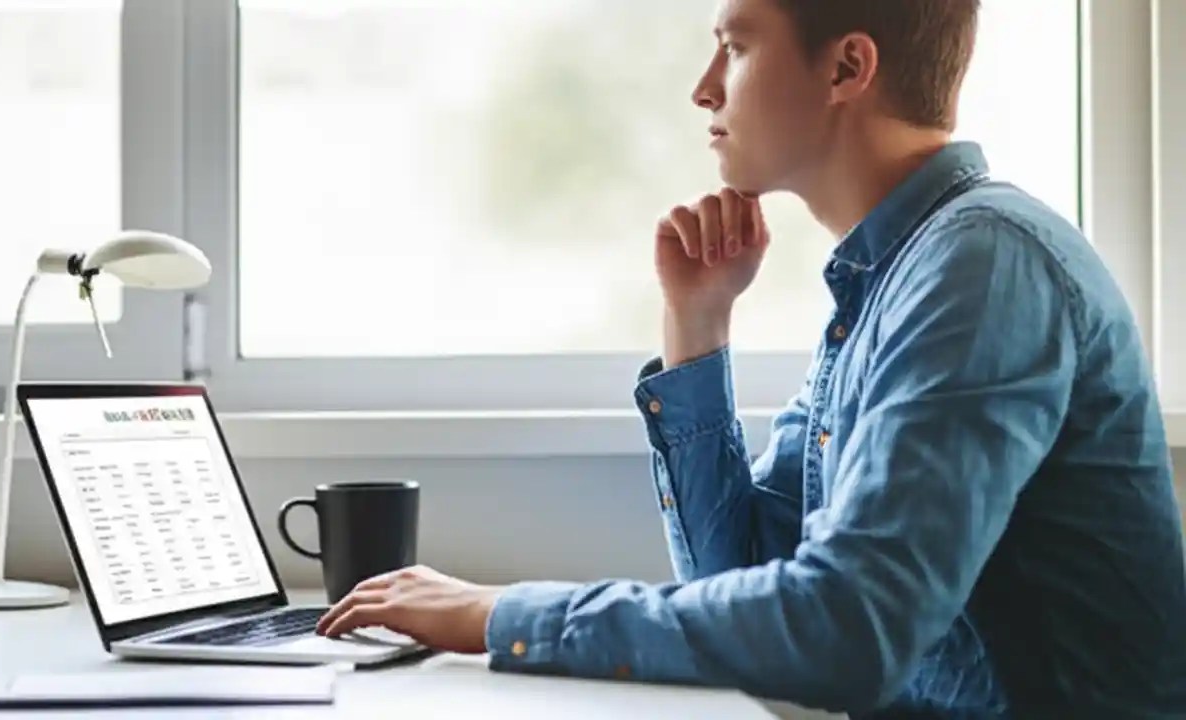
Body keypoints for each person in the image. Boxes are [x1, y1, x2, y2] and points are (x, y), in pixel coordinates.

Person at [317, 0, 1186, 716]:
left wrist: (498, 613)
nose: (702, 90)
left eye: (733, 47)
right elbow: (743, 584)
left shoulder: (981, 269)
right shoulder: (892, 277)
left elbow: (846, 634)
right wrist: (696, 329)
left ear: (847, 68)